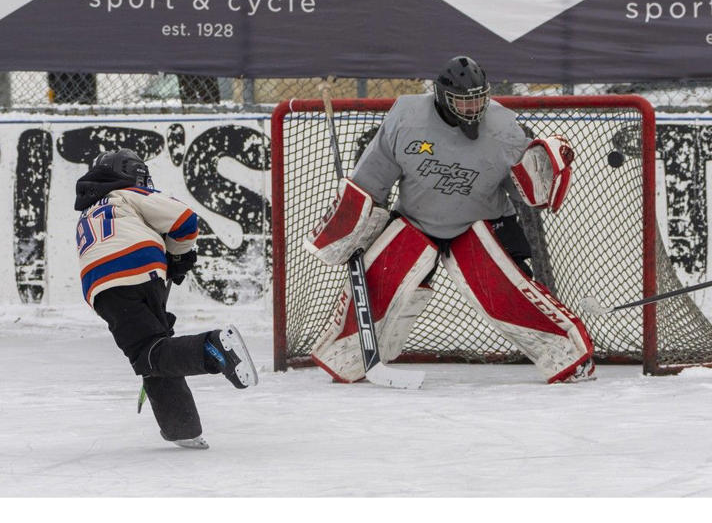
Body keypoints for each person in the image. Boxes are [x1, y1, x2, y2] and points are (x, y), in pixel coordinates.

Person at [303, 55, 595, 384]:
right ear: (442, 96)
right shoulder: (407, 118)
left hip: (482, 224)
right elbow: (374, 178)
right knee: (378, 284)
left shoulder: (503, 126)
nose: (473, 109)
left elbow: (524, 190)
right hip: (417, 221)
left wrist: (546, 172)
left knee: (506, 296)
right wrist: (353, 224)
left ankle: (573, 358)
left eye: (479, 100)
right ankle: (346, 358)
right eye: (463, 102)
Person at [74, 148, 257, 449]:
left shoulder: (90, 210)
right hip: (139, 274)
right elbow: (185, 220)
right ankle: (183, 421)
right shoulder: (129, 194)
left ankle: (209, 357)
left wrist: (170, 257)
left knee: (150, 352)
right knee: (155, 352)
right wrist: (179, 254)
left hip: (107, 287)